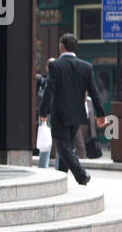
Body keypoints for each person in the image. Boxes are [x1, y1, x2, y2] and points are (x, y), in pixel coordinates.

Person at [39, 33, 106, 186]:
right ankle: (61, 178)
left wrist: (43, 112)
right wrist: (101, 114)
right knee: (66, 146)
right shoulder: (86, 67)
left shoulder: (55, 65)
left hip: (60, 114)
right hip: (77, 115)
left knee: (62, 145)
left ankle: (81, 174)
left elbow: (49, 90)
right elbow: (94, 92)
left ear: (61, 46)